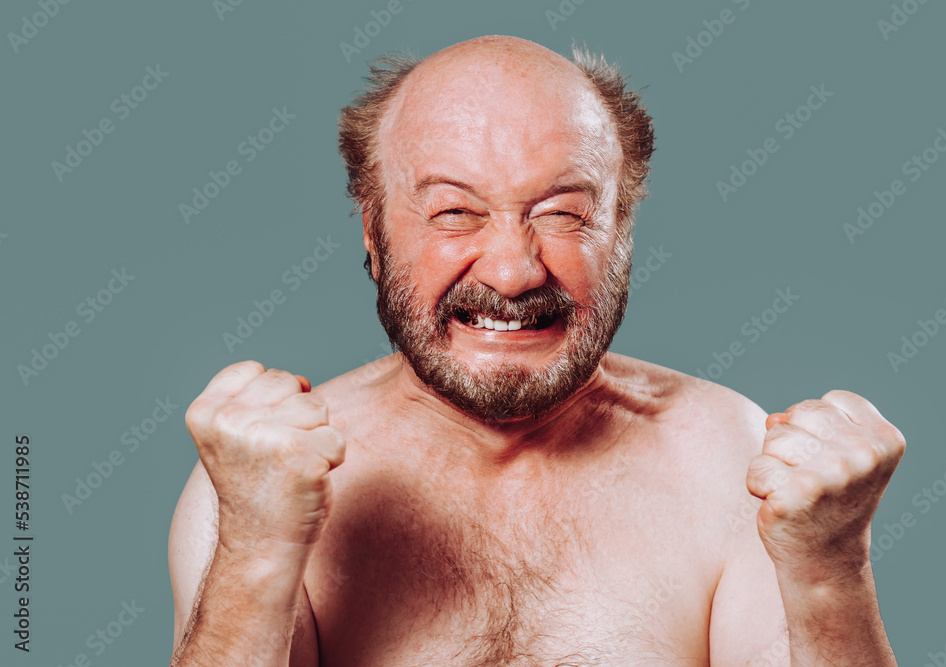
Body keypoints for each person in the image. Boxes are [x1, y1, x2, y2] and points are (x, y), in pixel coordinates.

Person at [168, 35, 905, 666]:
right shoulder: (258, 486)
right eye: (455, 212)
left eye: (563, 214)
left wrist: (830, 572)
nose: (513, 270)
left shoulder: (731, 464)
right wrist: (258, 545)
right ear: (373, 232)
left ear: (620, 232)